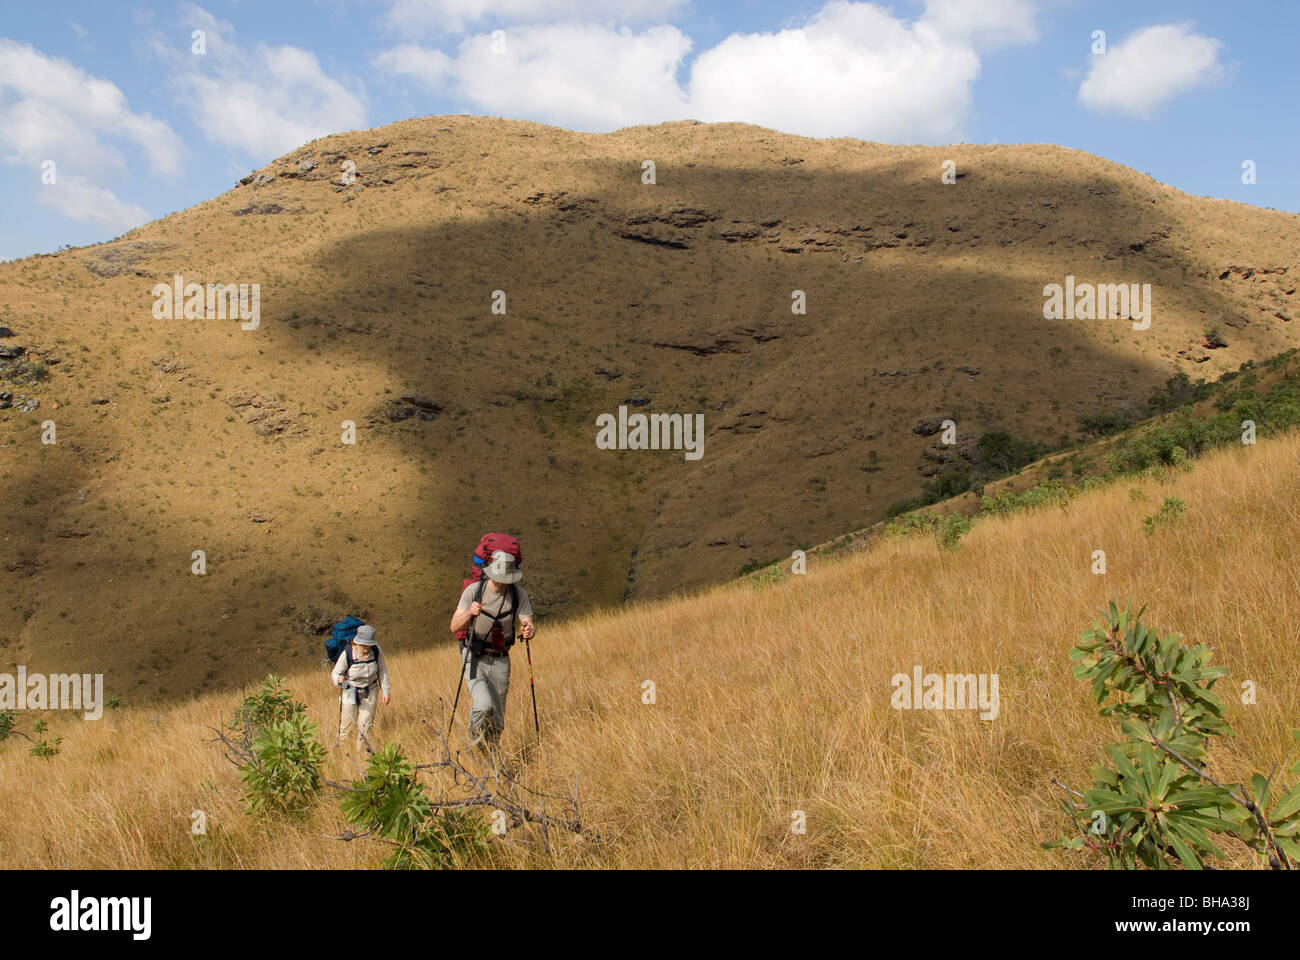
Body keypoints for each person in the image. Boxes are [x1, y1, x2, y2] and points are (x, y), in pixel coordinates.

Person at [448, 550, 535, 756]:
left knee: (497, 719)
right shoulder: (473, 592)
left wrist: (528, 629)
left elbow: (527, 622)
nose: (500, 582)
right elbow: (454, 627)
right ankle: (473, 745)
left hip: (501, 659)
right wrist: (470, 612)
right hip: (474, 657)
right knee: (483, 705)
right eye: (498, 578)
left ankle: (490, 756)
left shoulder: (517, 594)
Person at [331, 624, 390, 754]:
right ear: (356, 643)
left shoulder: (376, 651)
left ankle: (362, 755)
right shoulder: (347, 653)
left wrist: (386, 692)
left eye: (369, 646)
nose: (366, 649)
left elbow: (382, 672)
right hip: (350, 689)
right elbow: (335, 673)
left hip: (371, 689)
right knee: (347, 725)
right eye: (364, 646)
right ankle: (342, 754)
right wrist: (338, 679)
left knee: (365, 726)